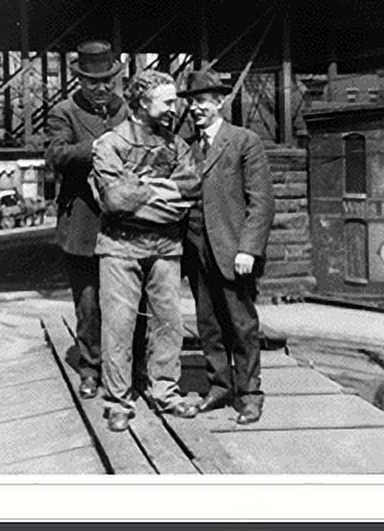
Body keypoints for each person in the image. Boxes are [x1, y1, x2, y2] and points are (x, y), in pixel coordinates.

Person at [89, 70, 202, 431]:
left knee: (169, 323)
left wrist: (143, 188)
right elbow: (114, 200)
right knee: (119, 327)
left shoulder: (177, 145)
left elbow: (189, 192)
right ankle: (118, 401)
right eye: (167, 101)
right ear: (141, 101)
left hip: (167, 246)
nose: (175, 107)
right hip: (119, 248)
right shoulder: (110, 143)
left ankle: (165, 392)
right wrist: (160, 192)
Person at [179, 70, 275, 425]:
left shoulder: (244, 141)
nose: (195, 108)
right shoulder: (188, 146)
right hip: (196, 249)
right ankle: (220, 386)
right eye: (190, 101)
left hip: (234, 252)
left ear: (218, 102)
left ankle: (249, 394)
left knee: (241, 324)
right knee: (208, 323)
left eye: (202, 101)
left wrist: (248, 249)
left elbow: (261, 201)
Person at [45, 40, 129, 399]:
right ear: (80, 80)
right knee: (89, 303)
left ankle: (124, 368)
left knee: (125, 301)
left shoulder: (123, 109)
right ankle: (91, 369)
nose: (102, 88)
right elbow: (56, 154)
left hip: (122, 223)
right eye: (94, 82)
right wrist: (97, 148)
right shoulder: (63, 112)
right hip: (82, 225)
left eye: (108, 80)